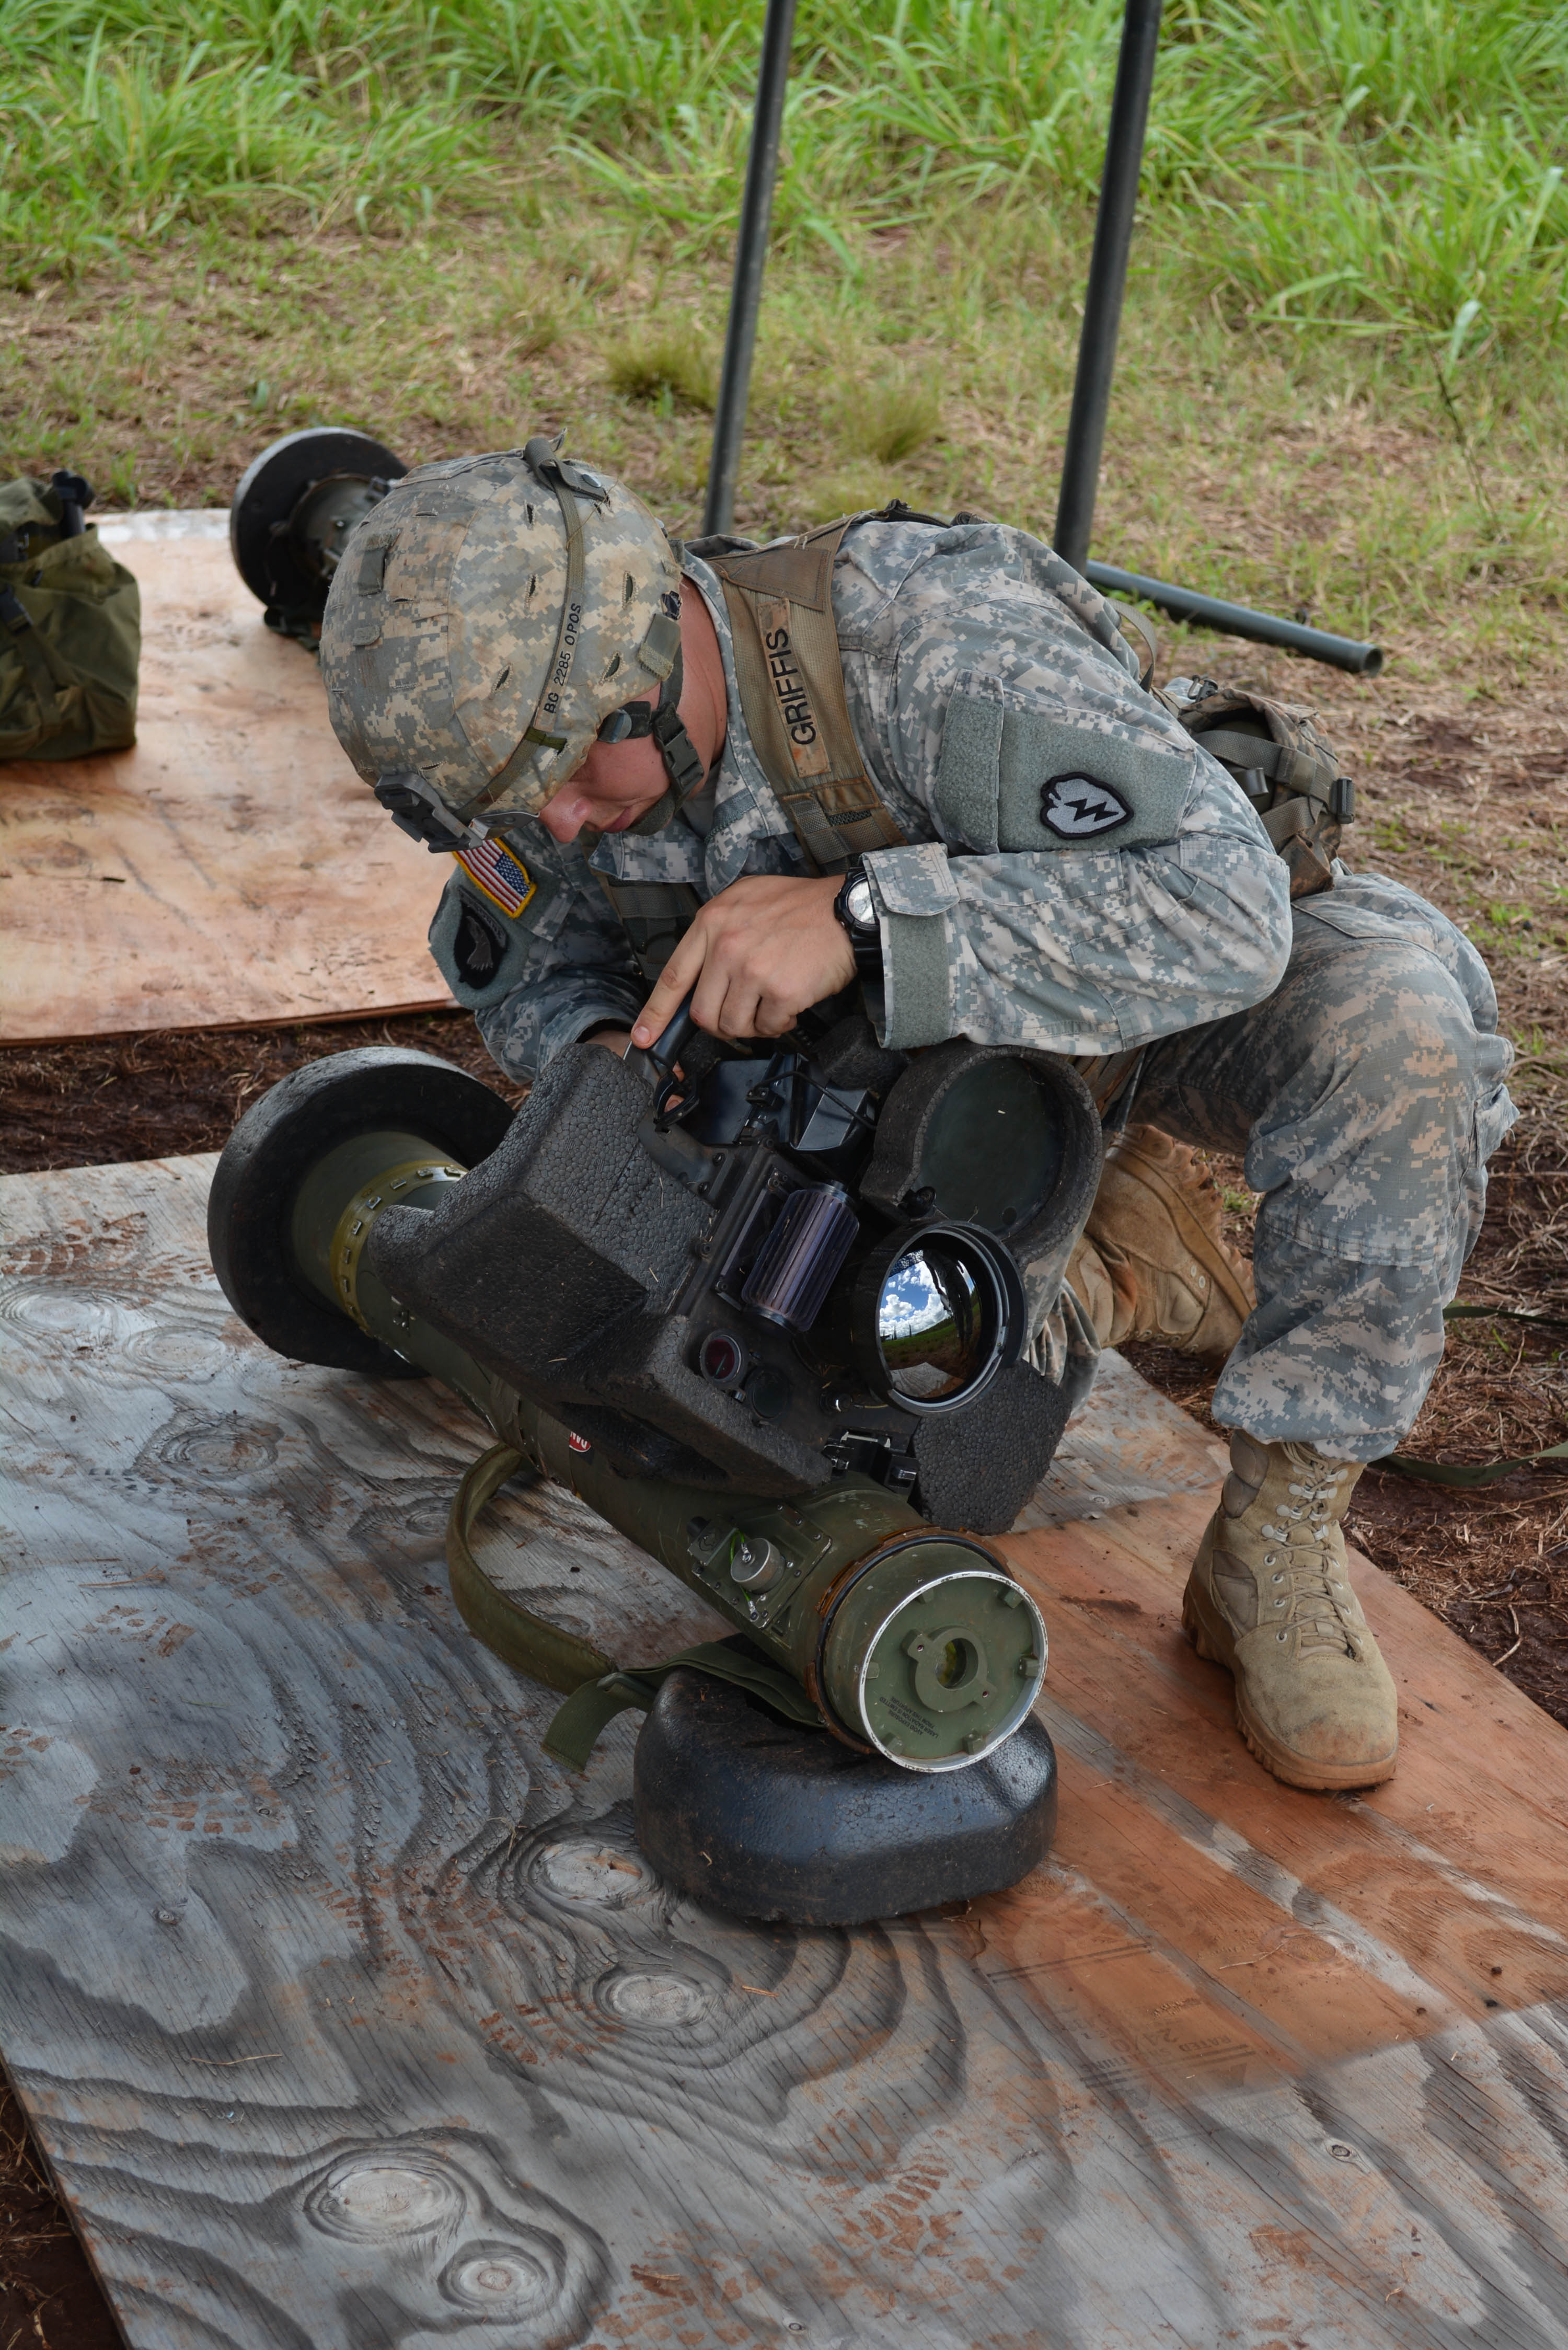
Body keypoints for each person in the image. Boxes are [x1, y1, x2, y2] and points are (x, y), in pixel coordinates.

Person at [320, 438, 1516, 1795]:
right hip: (942, 1092)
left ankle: (1277, 1540)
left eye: (578, 781)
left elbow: (1226, 913)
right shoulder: (545, 758)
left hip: (1145, 953)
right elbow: (524, 968)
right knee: (897, 1431)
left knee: (1405, 1039)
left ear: (650, 666)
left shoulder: (921, 641)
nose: (562, 823)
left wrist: (865, 920)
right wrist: (614, 1064)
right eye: (516, 804)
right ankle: (1115, 1261)